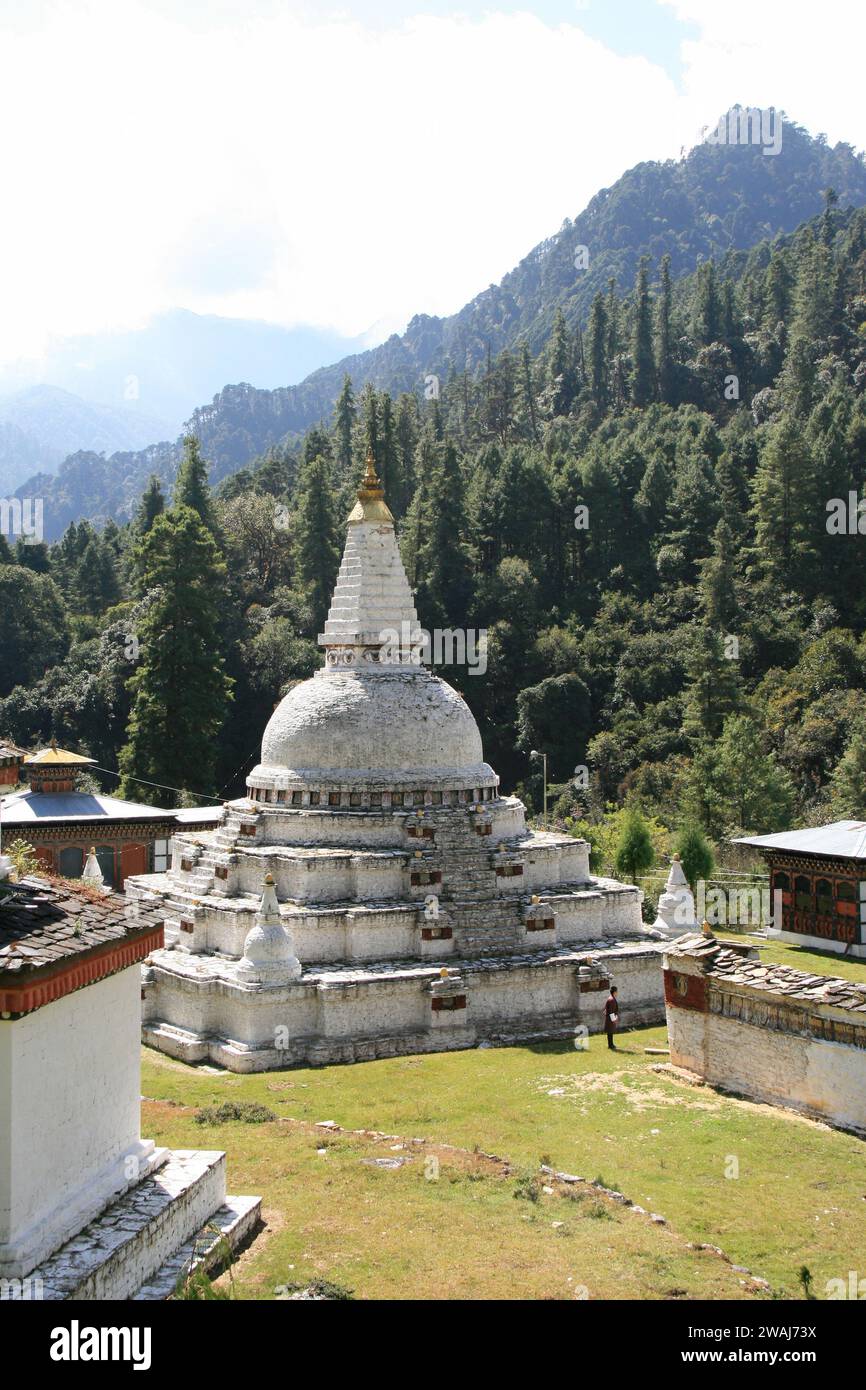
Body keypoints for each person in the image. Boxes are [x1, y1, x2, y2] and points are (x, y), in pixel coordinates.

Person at [604, 985, 619, 1050]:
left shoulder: (611, 998)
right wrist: (614, 1020)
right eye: (617, 992)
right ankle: (610, 1045)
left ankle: (611, 1044)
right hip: (610, 1018)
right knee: (610, 1032)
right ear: (614, 992)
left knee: (610, 1032)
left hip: (609, 1018)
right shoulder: (611, 1000)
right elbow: (611, 1011)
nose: (617, 993)